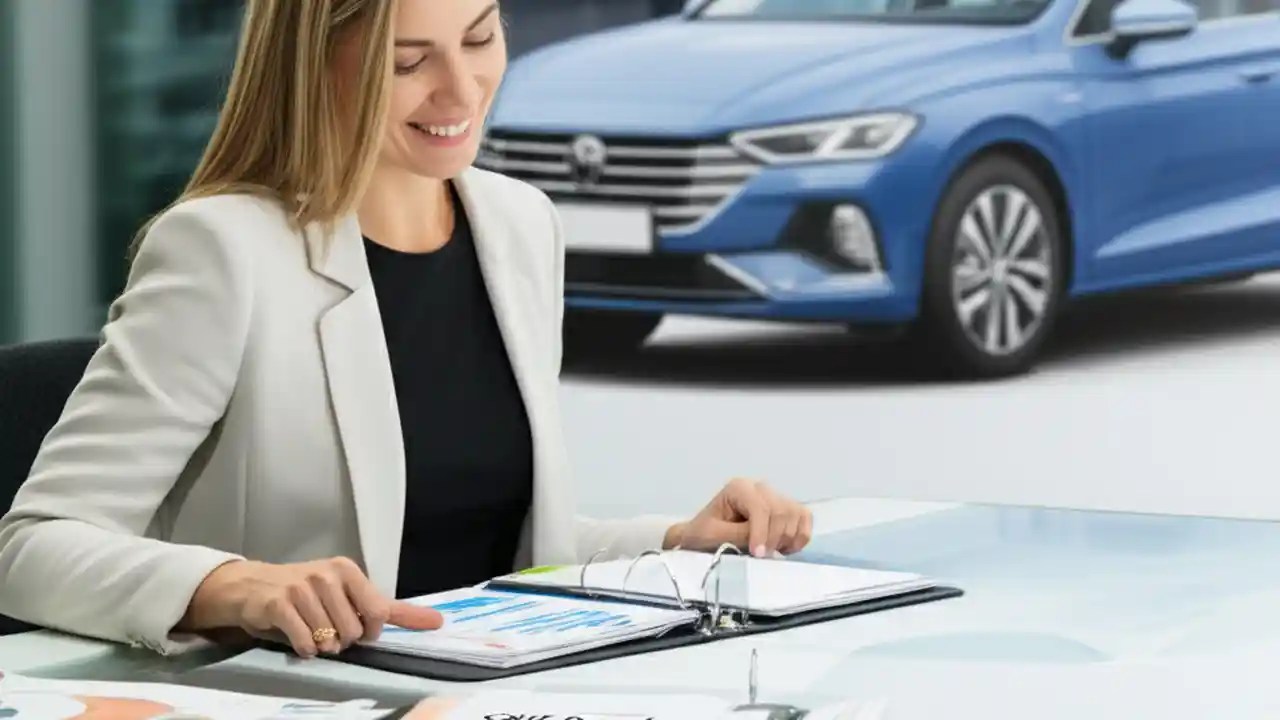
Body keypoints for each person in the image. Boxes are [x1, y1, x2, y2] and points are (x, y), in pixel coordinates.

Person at [0, 0, 812, 661]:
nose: (462, 91)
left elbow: (485, 537)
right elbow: (31, 548)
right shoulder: (224, 251)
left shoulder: (519, 223)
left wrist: (676, 540)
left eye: (481, 37)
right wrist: (235, 586)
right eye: (407, 62)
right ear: (316, 68)